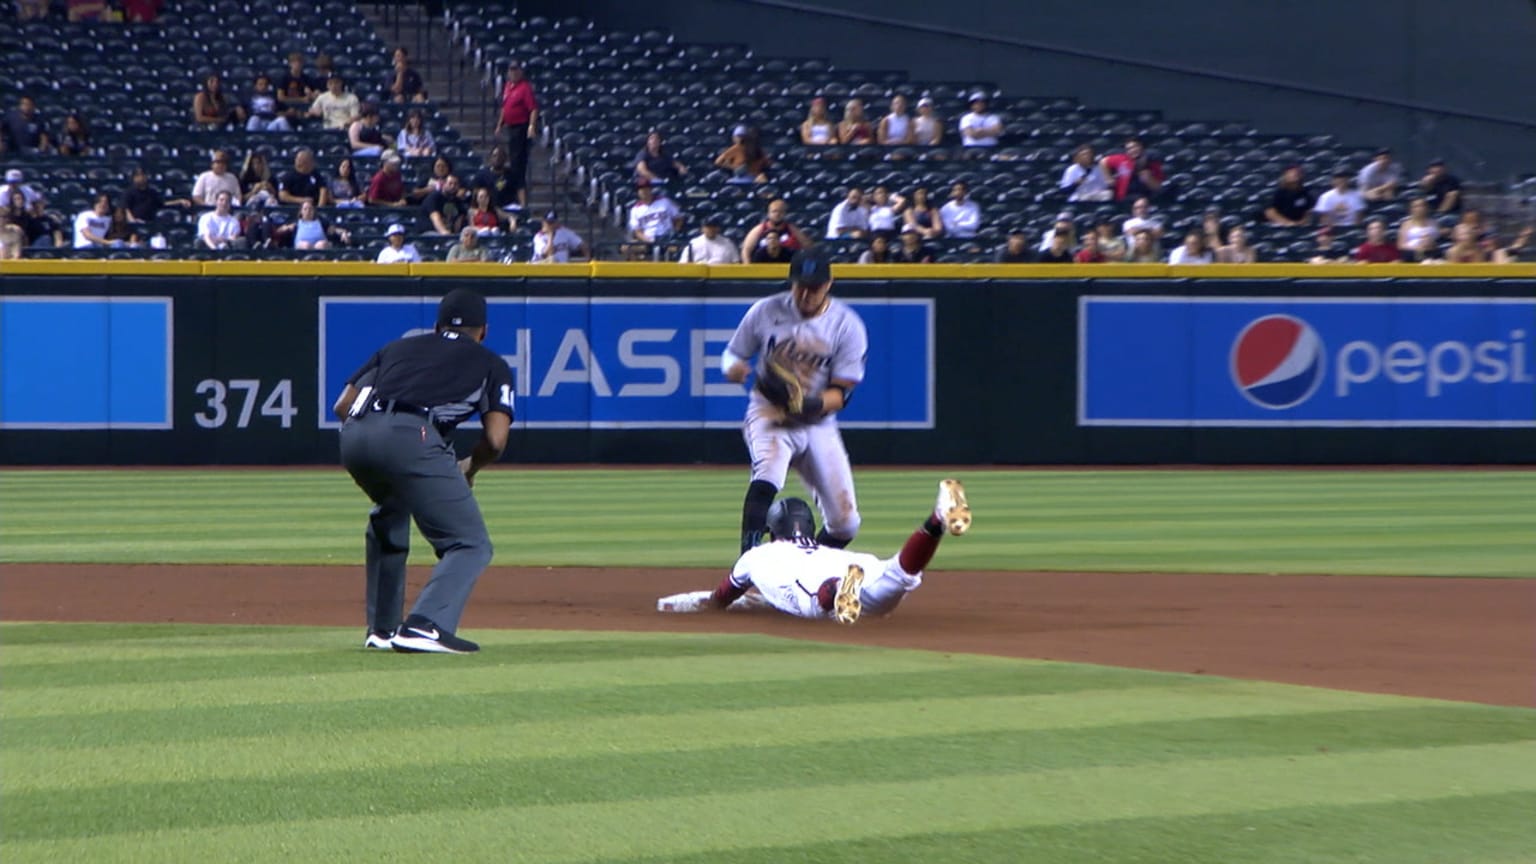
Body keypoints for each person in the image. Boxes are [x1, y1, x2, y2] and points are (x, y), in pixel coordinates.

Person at [331, 288, 515, 653]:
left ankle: (382, 630)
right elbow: (495, 440)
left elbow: (343, 404)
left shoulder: (398, 348)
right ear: (484, 331)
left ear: (436, 325)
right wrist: (469, 466)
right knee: (469, 543)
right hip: (411, 435)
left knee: (392, 510)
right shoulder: (491, 362)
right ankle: (426, 625)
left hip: (354, 436)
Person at [722, 246, 869, 554]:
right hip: (769, 412)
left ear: (828, 284)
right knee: (767, 475)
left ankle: (806, 568)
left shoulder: (847, 325)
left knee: (846, 523)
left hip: (818, 422)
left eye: (814, 288)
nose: (806, 295)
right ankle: (747, 567)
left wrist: (809, 404)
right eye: (800, 286)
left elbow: (842, 393)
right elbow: (733, 353)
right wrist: (731, 367)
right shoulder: (767, 310)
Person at [664, 481, 972, 624]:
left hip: (818, 580)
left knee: (815, 602)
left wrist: (710, 605)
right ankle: (935, 521)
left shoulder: (757, 555)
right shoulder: (823, 548)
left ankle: (838, 589)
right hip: (856, 563)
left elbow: (723, 596)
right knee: (901, 573)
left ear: (773, 529)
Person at [494, 60, 538, 209]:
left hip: (521, 127)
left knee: (518, 165)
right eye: (511, 70)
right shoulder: (508, 87)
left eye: (515, 70)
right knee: (512, 164)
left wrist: (531, 126)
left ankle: (522, 203)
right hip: (510, 128)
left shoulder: (525, 88)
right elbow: (505, 108)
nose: (513, 72)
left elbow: (533, 108)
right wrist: (500, 124)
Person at [740, 198, 809, 263]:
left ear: (785, 214)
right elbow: (746, 250)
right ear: (769, 213)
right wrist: (749, 268)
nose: (777, 214)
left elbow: (809, 247)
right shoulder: (759, 229)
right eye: (774, 211)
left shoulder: (792, 229)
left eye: (781, 212)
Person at [625, 179, 683, 257]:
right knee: (626, 248)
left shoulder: (664, 201)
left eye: (646, 188)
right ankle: (638, 269)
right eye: (641, 189)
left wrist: (674, 232)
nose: (644, 191)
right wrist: (648, 240)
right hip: (648, 240)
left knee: (682, 248)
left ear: (651, 190)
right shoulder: (635, 209)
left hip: (667, 238)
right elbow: (638, 232)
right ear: (638, 192)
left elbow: (678, 218)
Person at [121, 166, 192, 222]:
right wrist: (133, 221)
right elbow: (126, 209)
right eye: (138, 176)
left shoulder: (152, 192)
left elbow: (162, 204)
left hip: (150, 223)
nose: (141, 178)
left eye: (143, 175)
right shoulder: (129, 192)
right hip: (135, 223)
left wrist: (179, 201)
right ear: (133, 178)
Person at [275, 199, 350, 249]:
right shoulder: (295, 223)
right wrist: (285, 228)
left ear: (314, 211)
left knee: (321, 245)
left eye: (310, 209)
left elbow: (335, 230)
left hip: (320, 246)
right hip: (302, 247)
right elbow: (279, 231)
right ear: (301, 211)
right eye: (305, 209)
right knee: (305, 245)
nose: (308, 211)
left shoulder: (322, 222)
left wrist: (343, 233)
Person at [1397, 197, 1441, 262]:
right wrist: (1417, 248)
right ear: (1411, 209)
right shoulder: (1406, 224)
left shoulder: (1434, 223)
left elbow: (1438, 241)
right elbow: (1400, 245)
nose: (1419, 208)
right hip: (1411, 254)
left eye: (1422, 205)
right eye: (1416, 206)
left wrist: (1430, 245)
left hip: (1431, 252)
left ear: (1426, 207)